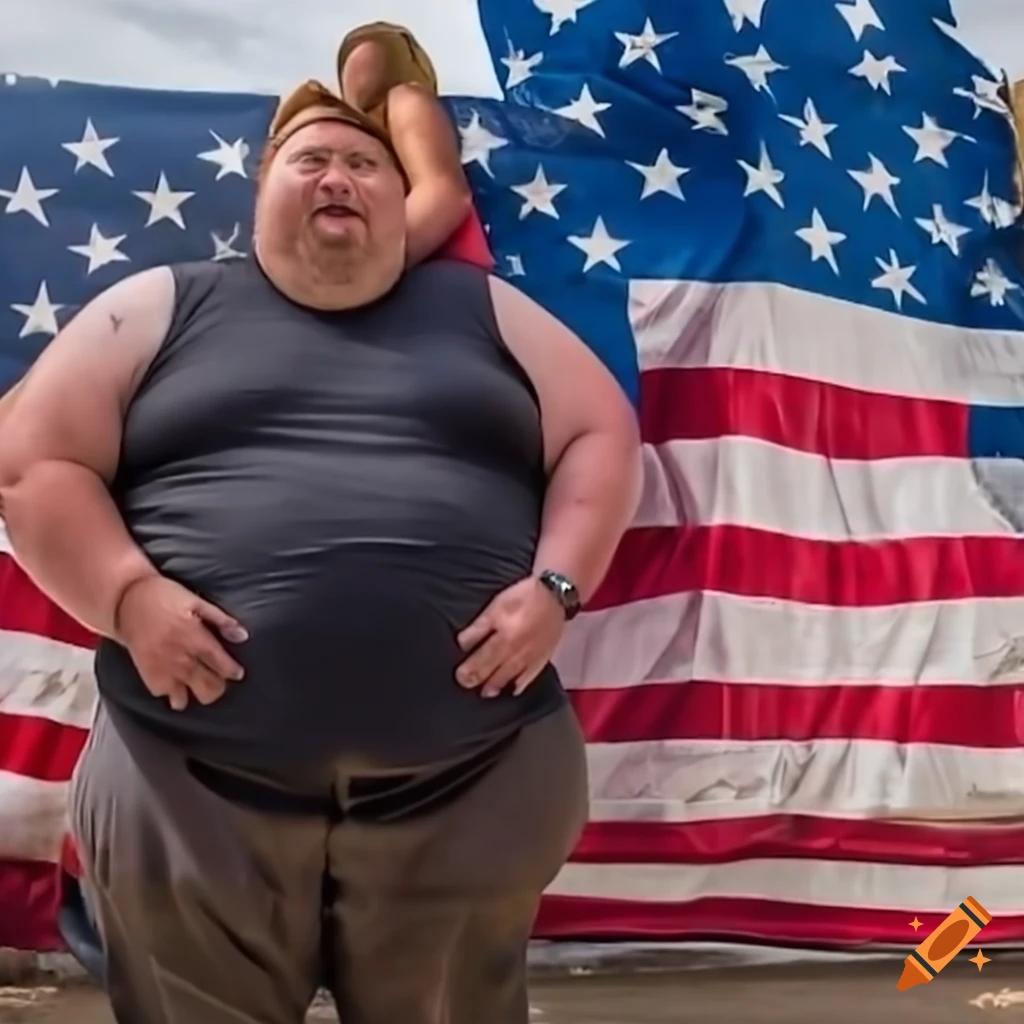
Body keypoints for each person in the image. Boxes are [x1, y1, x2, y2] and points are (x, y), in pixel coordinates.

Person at [0, 74, 641, 1024]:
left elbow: (602, 436)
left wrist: (555, 585)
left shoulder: (487, 312)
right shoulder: (160, 304)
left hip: (474, 769)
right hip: (186, 775)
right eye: (312, 160)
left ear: (406, 199)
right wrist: (128, 596)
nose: (338, 175)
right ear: (262, 188)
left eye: (364, 162)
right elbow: (34, 461)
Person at [337, 21, 494, 268]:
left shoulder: (405, 99)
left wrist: (362, 271)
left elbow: (443, 193)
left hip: (437, 271)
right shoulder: (346, 137)